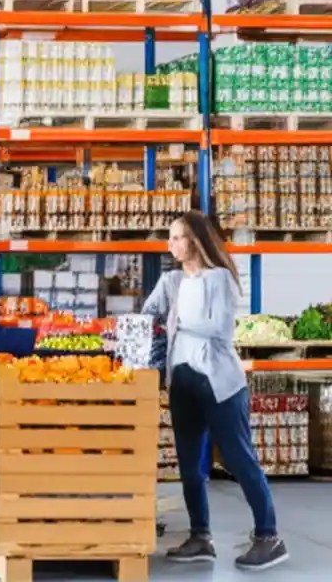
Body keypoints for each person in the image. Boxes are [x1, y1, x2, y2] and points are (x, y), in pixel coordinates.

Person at [142, 211, 288, 571]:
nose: (170, 244)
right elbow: (148, 315)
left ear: (196, 241)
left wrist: (179, 322)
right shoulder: (172, 281)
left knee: (239, 459)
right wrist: (150, 318)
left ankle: (269, 536)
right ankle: (200, 537)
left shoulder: (220, 278)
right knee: (190, 466)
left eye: (177, 237)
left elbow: (221, 328)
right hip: (184, 381)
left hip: (220, 383)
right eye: (170, 237)